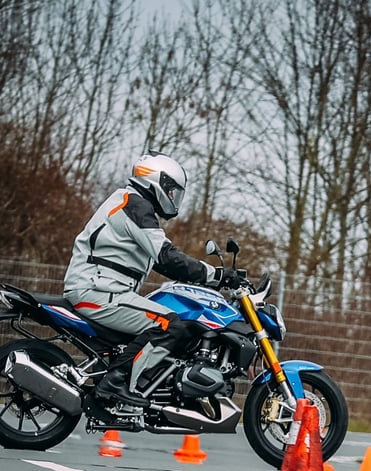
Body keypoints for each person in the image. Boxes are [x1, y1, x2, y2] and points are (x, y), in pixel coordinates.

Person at [63, 150, 239, 408]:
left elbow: (161, 262)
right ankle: (114, 383)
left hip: (101, 289)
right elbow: (167, 256)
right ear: (157, 181)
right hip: (98, 291)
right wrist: (216, 275)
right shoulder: (135, 206)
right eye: (172, 191)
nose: (174, 199)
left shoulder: (130, 203)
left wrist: (205, 279)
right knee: (170, 324)